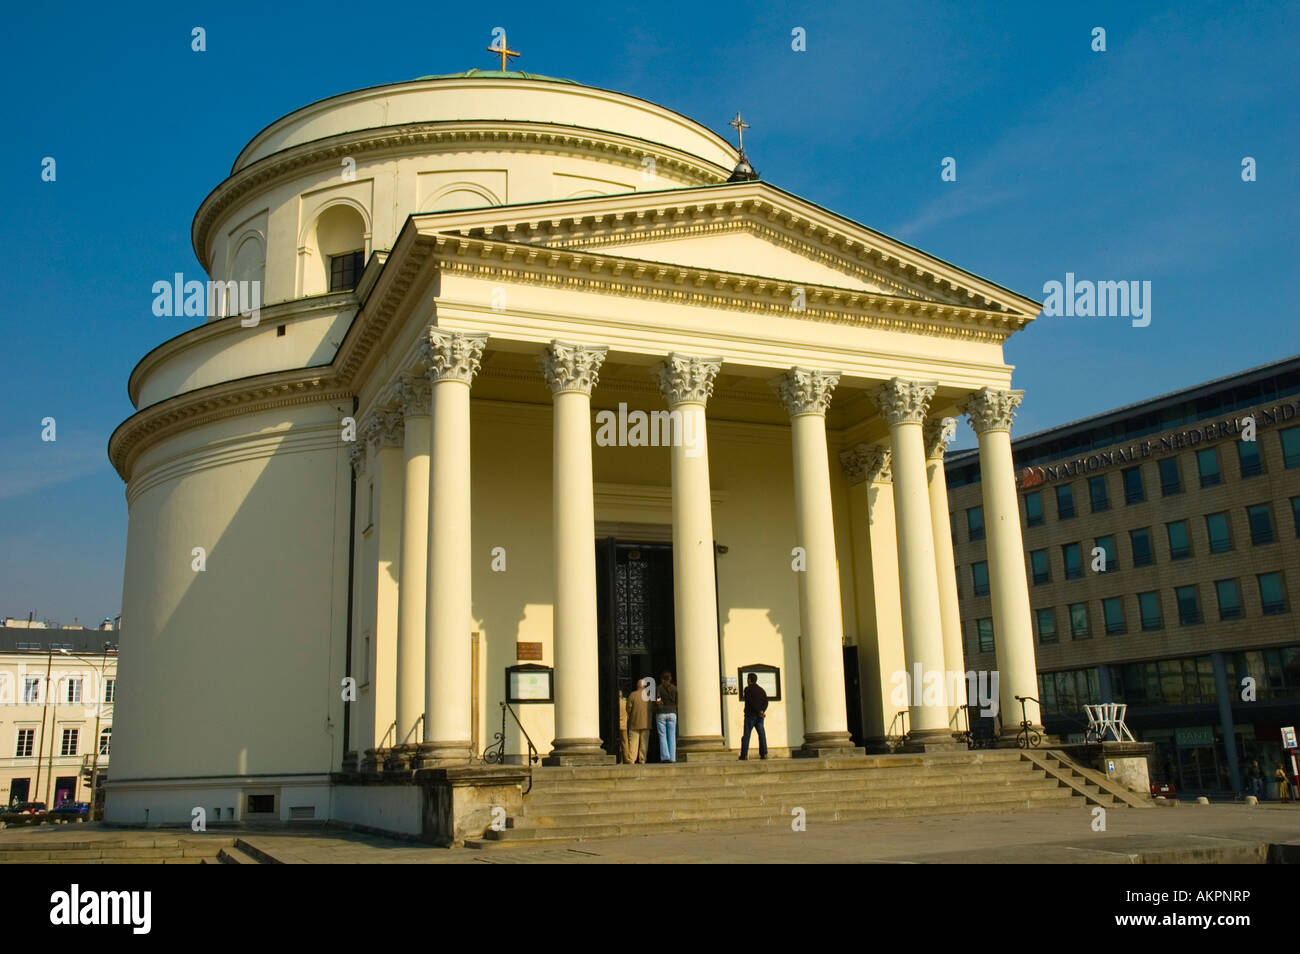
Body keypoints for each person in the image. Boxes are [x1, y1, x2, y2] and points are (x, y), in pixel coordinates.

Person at [739, 672, 768, 760]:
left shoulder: (747, 689)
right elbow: (766, 702)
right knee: (761, 735)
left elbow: (751, 702)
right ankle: (764, 754)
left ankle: (744, 755)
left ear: (749, 680)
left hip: (750, 715)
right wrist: (762, 711)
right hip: (760, 717)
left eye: (747, 679)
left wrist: (758, 711)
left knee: (747, 735)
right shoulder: (761, 690)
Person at [626, 678, 652, 764]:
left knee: (633, 742)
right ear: (644, 686)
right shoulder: (649, 696)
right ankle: (642, 759)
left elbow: (628, 708)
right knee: (644, 743)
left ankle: (632, 759)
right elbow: (652, 708)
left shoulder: (632, 695)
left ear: (638, 686)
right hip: (646, 723)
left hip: (634, 722)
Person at [655, 671, 678, 763]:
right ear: (670, 679)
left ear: (661, 679)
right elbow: (677, 702)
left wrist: (660, 707)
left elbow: (658, 700)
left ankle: (665, 757)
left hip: (662, 713)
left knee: (662, 736)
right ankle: (672, 757)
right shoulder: (674, 689)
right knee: (672, 736)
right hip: (672, 713)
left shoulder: (659, 689)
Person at [617, 686, 631, 763]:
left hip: (617, 726)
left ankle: (618, 759)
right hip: (624, 726)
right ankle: (626, 759)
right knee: (625, 743)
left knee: (618, 743)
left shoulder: (615, 704)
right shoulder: (625, 703)